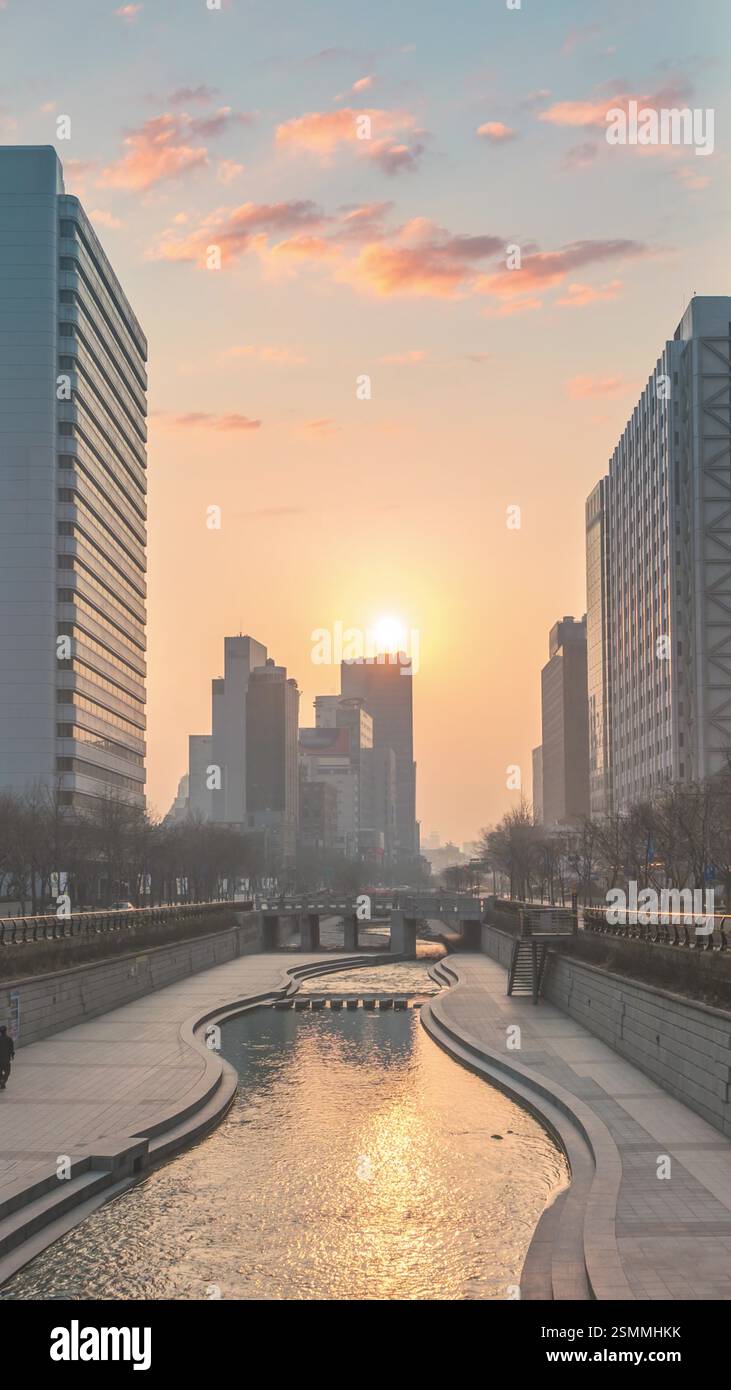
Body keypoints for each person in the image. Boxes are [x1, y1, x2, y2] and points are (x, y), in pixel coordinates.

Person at [0, 1025, 15, 1090]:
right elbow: (11, 1048)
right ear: (5, 1031)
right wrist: (12, 1055)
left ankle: (2, 1082)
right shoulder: (9, 1039)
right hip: (6, 1059)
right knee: (7, 1071)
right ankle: (3, 1081)